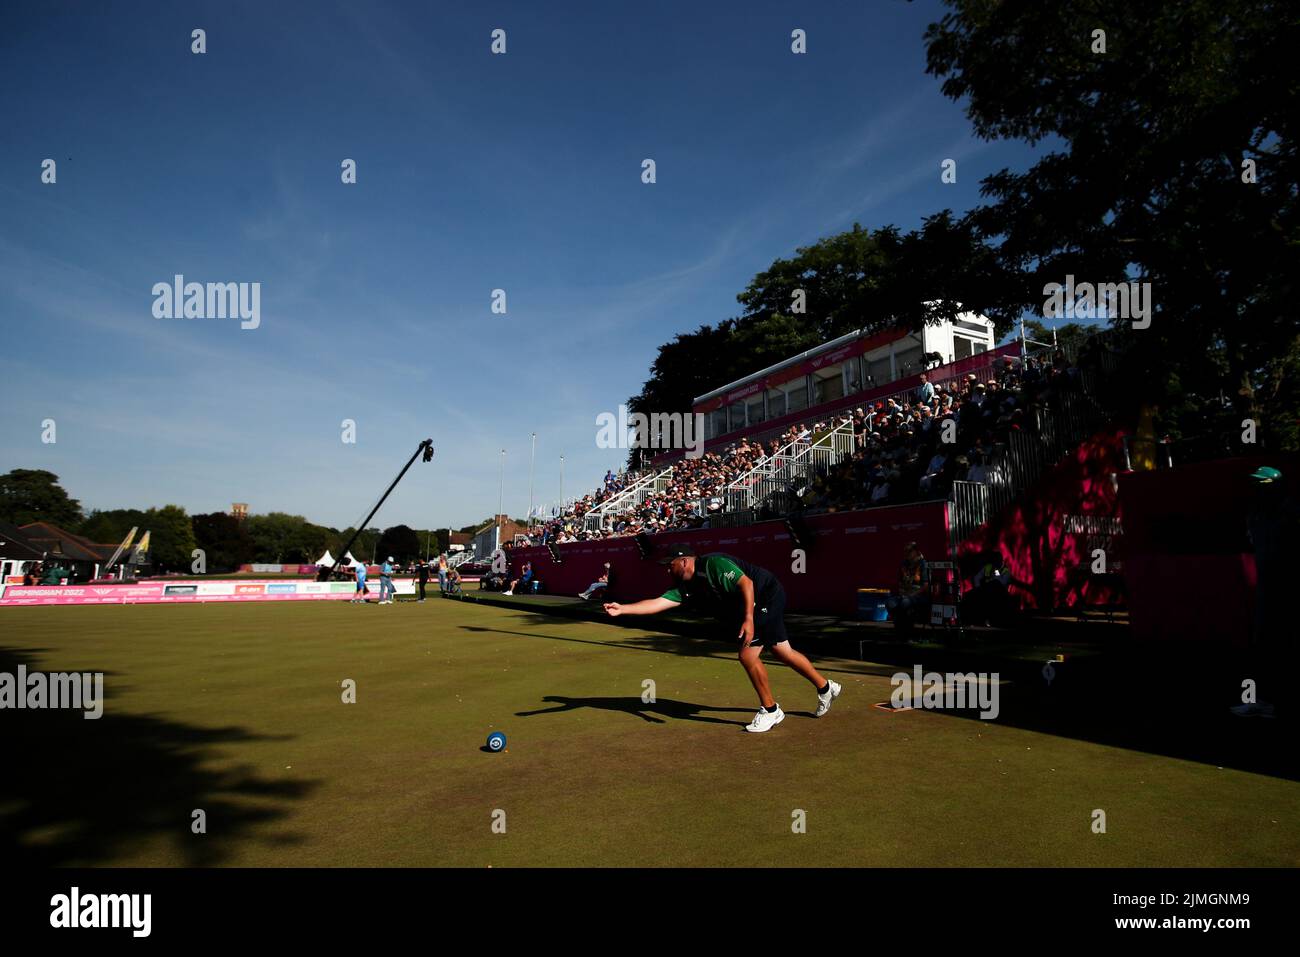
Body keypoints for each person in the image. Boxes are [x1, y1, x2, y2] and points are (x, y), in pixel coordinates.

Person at [603, 545, 841, 733]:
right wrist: (623, 609)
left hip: (767, 595)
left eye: (670, 564)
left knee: (747, 655)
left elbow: (746, 583)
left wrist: (748, 619)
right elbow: (657, 603)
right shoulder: (686, 586)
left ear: (684, 561)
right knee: (782, 651)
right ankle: (826, 688)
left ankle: (771, 710)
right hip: (757, 605)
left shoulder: (714, 564)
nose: (668, 569)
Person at [1232, 466, 1300, 718]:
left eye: (1262, 485)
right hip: (1266, 592)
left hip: (1290, 591)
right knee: (1263, 647)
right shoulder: (1256, 516)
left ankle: (1280, 703)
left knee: (1286, 647)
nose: (1257, 491)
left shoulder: (1291, 514)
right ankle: (1261, 700)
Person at [887, 542, 929, 636]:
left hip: (919, 595)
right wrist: (902, 592)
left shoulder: (923, 564)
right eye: (905, 551)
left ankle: (907, 631)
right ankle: (900, 629)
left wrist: (911, 595)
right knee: (890, 602)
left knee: (905, 602)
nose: (907, 553)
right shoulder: (904, 564)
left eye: (909, 551)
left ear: (915, 551)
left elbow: (926, 586)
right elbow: (900, 582)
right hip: (906, 595)